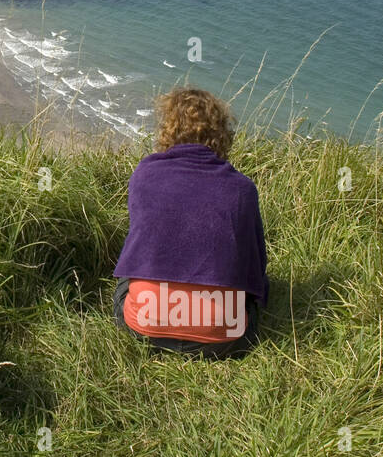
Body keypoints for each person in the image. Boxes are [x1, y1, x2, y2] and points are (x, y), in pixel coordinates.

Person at [112, 87, 269, 359]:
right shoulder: (243, 189)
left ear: (168, 130)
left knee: (126, 279)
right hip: (222, 339)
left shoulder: (144, 175)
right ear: (222, 134)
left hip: (146, 325)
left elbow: (141, 245)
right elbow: (254, 270)